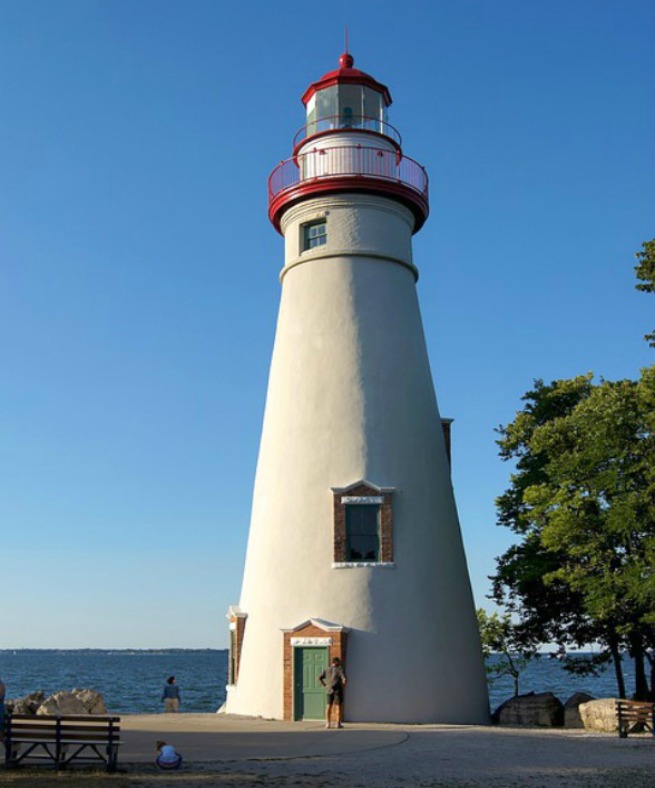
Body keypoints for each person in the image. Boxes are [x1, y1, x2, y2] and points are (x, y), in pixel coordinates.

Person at [319, 656, 347, 729]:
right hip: (337, 689)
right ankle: (338, 723)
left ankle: (328, 723)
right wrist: (343, 686)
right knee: (338, 706)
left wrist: (324, 685)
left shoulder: (326, 669)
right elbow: (344, 679)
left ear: (332, 663)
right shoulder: (339, 669)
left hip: (329, 689)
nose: (340, 663)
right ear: (336, 662)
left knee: (328, 706)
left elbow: (319, 677)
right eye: (339, 662)